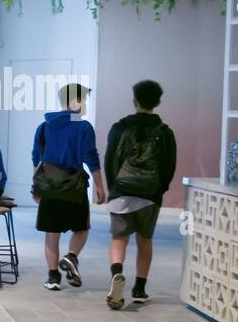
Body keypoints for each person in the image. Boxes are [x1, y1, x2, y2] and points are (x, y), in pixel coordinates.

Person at [103, 79, 176, 310]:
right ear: (158, 102)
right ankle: (140, 289)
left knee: (119, 239)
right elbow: (169, 166)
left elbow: (109, 160)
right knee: (144, 241)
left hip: (122, 191)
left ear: (134, 100)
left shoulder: (119, 127)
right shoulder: (165, 132)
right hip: (149, 193)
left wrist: (114, 186)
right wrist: (159, 190)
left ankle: (117, 273)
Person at [31, 82, 105, 291]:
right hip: (75, 187)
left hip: (49, 187)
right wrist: (99, 186)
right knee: (81, 229)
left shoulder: (44, 126)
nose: (86, 105)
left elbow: (36, 158)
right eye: (84, 101)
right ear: (75, 102)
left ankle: (53, 277)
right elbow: (91, 158)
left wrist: (36, 187)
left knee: (51, 233)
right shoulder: (83, 126)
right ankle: (71, 257)